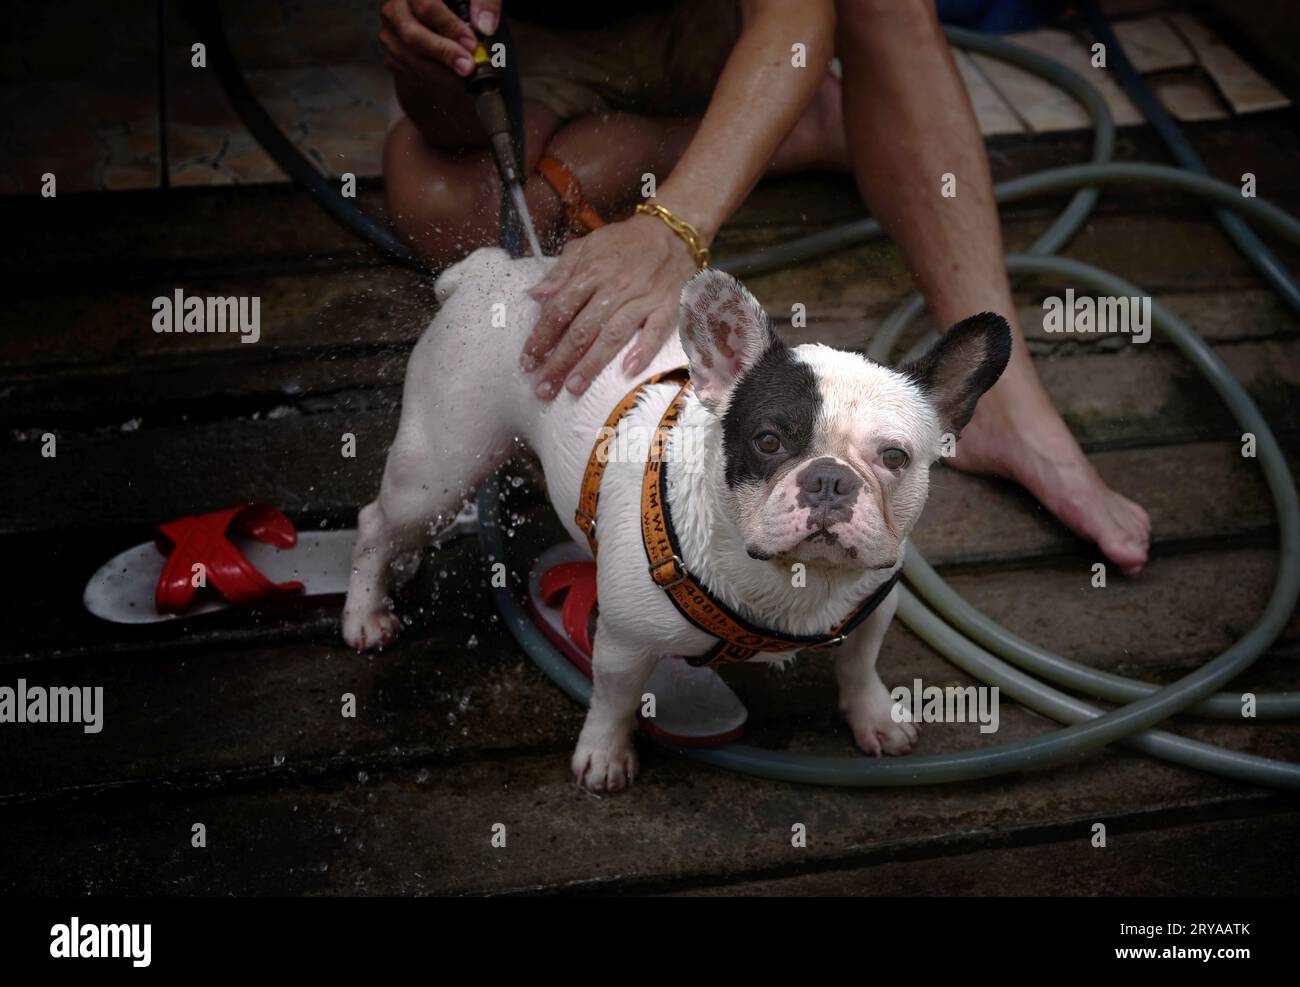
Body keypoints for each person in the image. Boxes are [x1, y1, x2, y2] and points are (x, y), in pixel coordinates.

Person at [378, 0, 1151, 574]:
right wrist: (428, 63)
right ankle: (799, 124)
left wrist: (673, 225)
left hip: (746, 28)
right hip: (556, 52)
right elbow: (445, 126)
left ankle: (1010, 413)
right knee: (434, 198)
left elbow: (794, 15)